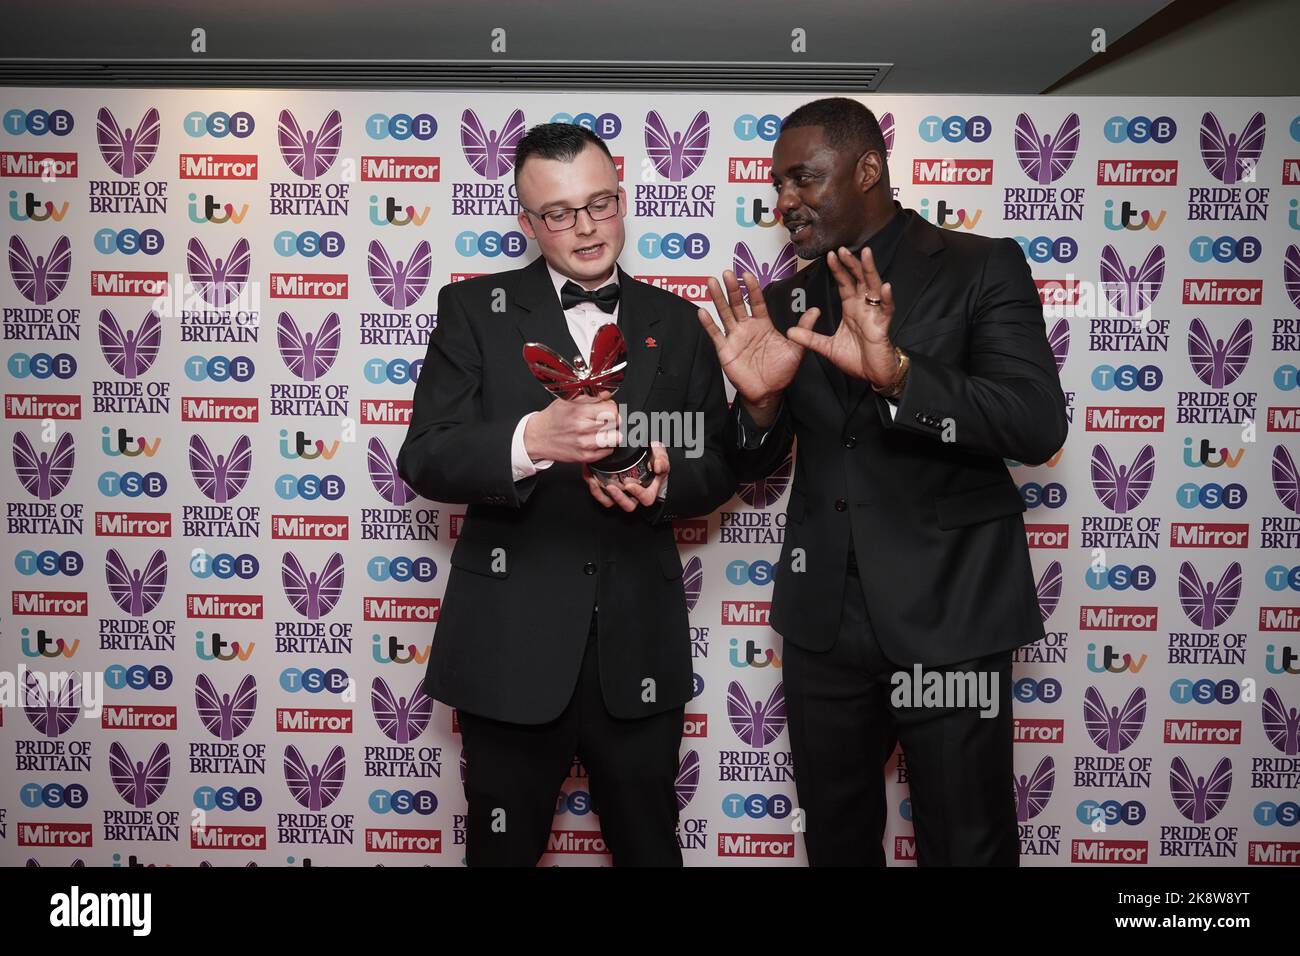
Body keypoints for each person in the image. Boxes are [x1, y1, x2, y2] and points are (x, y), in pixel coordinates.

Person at [697, 97, 1068, 866]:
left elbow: (1036, 424)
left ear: (869, 170)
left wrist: (899, 374)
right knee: (836, 842)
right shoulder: (786, 301)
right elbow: (750, 464)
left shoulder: (979, 265)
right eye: (776, 184)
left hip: (952, 617)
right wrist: (759, 405)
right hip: (824, 626)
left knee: (967, 842)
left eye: (804, 178)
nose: (785, 200)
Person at [398, 122, 733, 866]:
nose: (584, 227)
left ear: (622, 199)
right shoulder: (471, 313)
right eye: (558, 212)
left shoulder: (676, 324)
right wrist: (529, 443)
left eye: (600, 203)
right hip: (506, 649)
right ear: (526, 222)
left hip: (638, 647)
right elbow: (424, 456)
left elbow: (716, 466)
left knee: (651, 850)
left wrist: (664, 474)